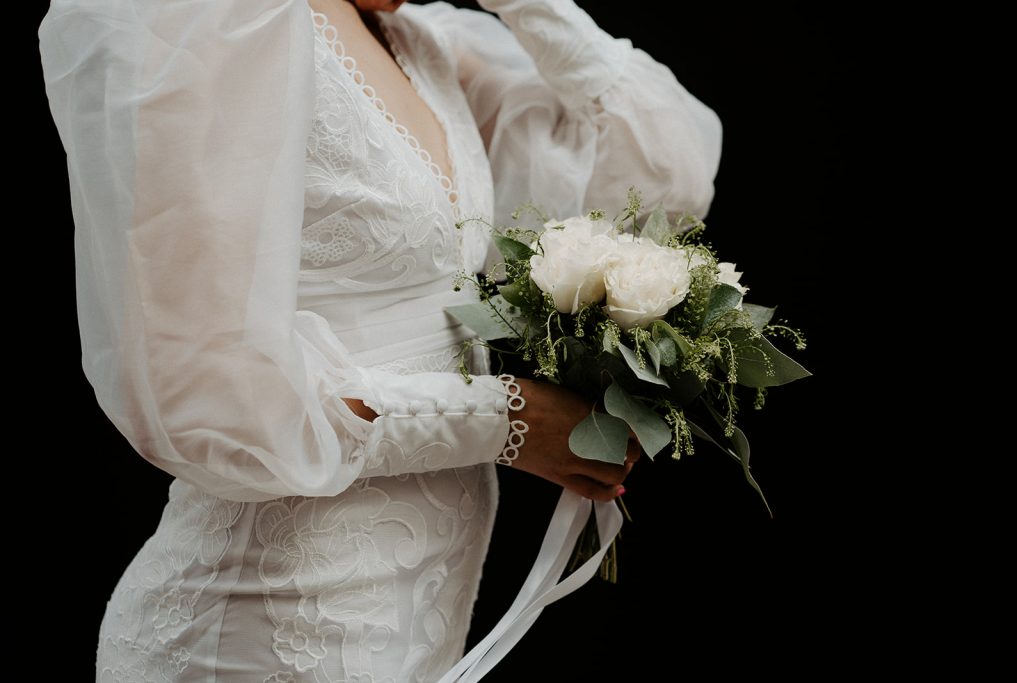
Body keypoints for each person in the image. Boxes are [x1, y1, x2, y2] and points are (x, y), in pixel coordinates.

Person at [39, 0, 721, 679]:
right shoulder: (222, 18)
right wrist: (505, 418)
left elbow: (665, 178)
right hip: (254, 632)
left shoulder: (424, 43)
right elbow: (201, 390)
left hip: (408, 631)